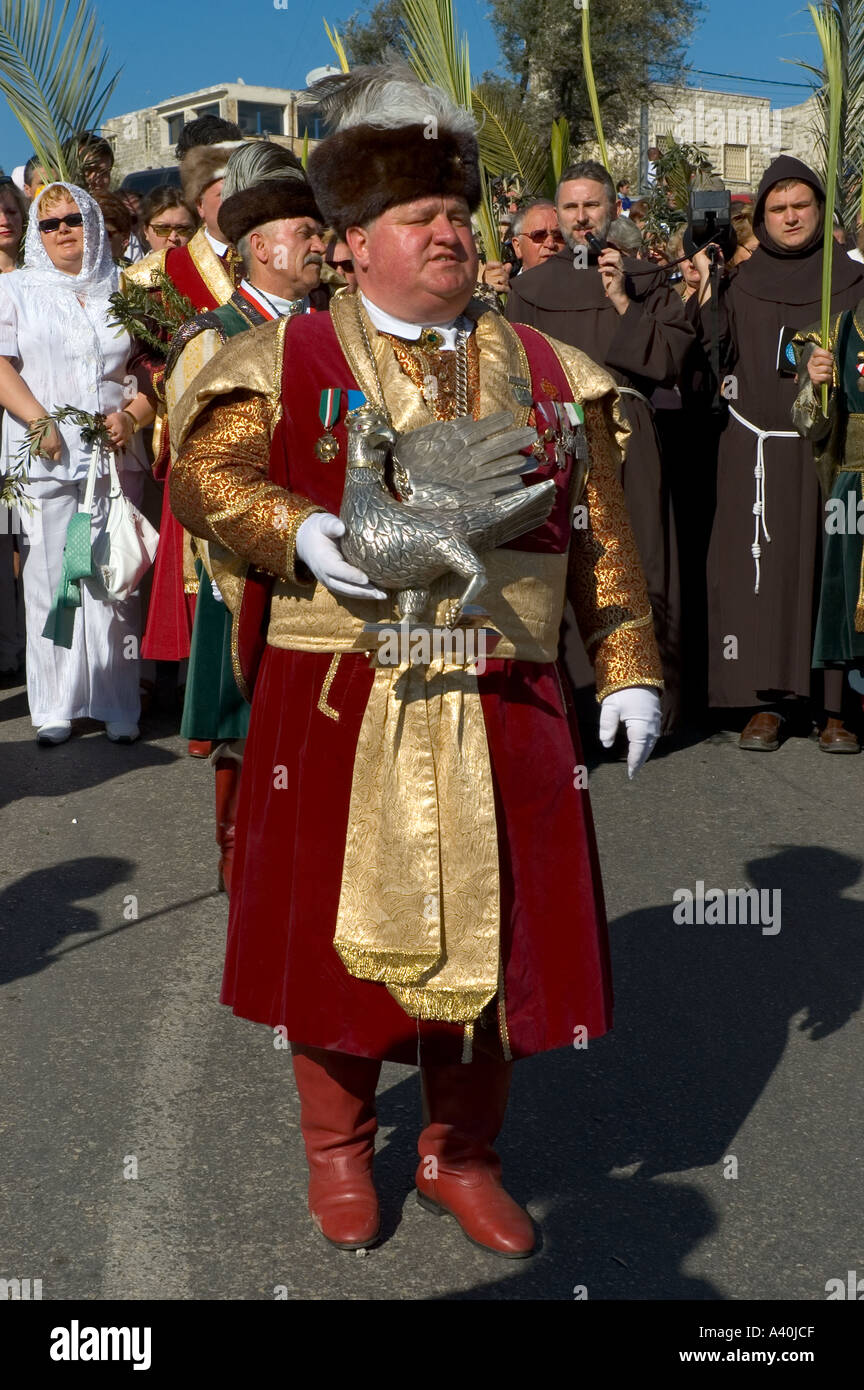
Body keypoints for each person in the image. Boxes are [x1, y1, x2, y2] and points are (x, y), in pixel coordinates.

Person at [170, 63, 663, 1260]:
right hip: (337, 693)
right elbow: (204, 479)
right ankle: (339, 1153)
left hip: (506, 690)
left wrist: (631, 661)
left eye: (458, 217)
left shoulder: (543, 367)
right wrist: (306, 531)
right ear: (352, 243)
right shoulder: (284, 359)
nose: (448, 236)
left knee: (505, 945)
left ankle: (460, 1153)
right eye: (419, 220)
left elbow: (597, 524)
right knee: (330, 942)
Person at [165, 144, 325, 892]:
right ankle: (240, 858)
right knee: (243, 719)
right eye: (306, 229)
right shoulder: (213, 336)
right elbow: (192, 470)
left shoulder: (340, 332)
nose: (321, 241)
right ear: (262, 246)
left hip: (331, 557)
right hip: (240, 564)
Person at [506, 159, 695, 731]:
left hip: (631, 443)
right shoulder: (531, 288)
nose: (582, 216)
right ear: (557, 216)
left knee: (640, 561)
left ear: (613, 208)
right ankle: (574, 706)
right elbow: (515, 373)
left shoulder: (647, 277)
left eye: (592, 205)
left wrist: (621, 301)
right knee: (564, 566)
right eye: (571, 207)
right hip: (558, 441)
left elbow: (668, 363)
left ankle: (648, 702)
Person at [692, 155, 864, 751]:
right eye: (778, 208)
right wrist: (703, 291)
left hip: (831, 452)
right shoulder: (741, 280)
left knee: (830, 572)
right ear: (762, 217)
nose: (791, 217)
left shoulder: (850, 277)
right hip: (754, 448)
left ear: (820, 209)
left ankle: (835, 706)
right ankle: (765, 703)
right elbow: (712, 359)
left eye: (802, 206)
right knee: (757, 574)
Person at [0, 183, 156, 743]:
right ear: (37, 235)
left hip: (112, 454)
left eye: (74, 219)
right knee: (53, 576)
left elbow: (158, 371)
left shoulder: (126, 287)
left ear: (93, 222)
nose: (64, 229)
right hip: (44, 453)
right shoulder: (14, 288)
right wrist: (39, 420)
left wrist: (133, 416)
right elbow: (0, 365)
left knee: (115, 575)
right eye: (49, 224)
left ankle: (117, 702)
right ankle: (56, 704)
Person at [123, 139, 244, 681]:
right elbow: (144, 359)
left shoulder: (273, 258)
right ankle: (206, 694)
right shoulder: (157, 273)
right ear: (200, 202)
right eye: (226, 192)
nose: (242, 200)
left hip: (273, 429)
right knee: (205, 568)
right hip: (196, 432)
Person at [790, 315, 864, 747]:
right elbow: (808, 424)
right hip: (852, 483)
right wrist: (816, 385)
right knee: (850, 596)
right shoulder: (836, 332)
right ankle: (850, 707)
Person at [0, 177, 28, 675]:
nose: (4, 219)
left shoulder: (37, 279)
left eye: (11, 211)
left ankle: (22, 648)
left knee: (26, 541)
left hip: (28, 429)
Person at [139, 186, 198, 253]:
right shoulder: (139, 264)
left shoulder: (209, 262)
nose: (173, 238)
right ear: (146, 231)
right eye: (163, 229)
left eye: (183, 229)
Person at [510, 200, 565, 272]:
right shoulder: (506, 283)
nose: (550, 244)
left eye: (559, 236)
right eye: (539, 235)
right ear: (517, 247)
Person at [93, 191, 133, 263]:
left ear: (124, 238)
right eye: (89, 235)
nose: (95, 242)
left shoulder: (140, 273)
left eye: (104, 235)